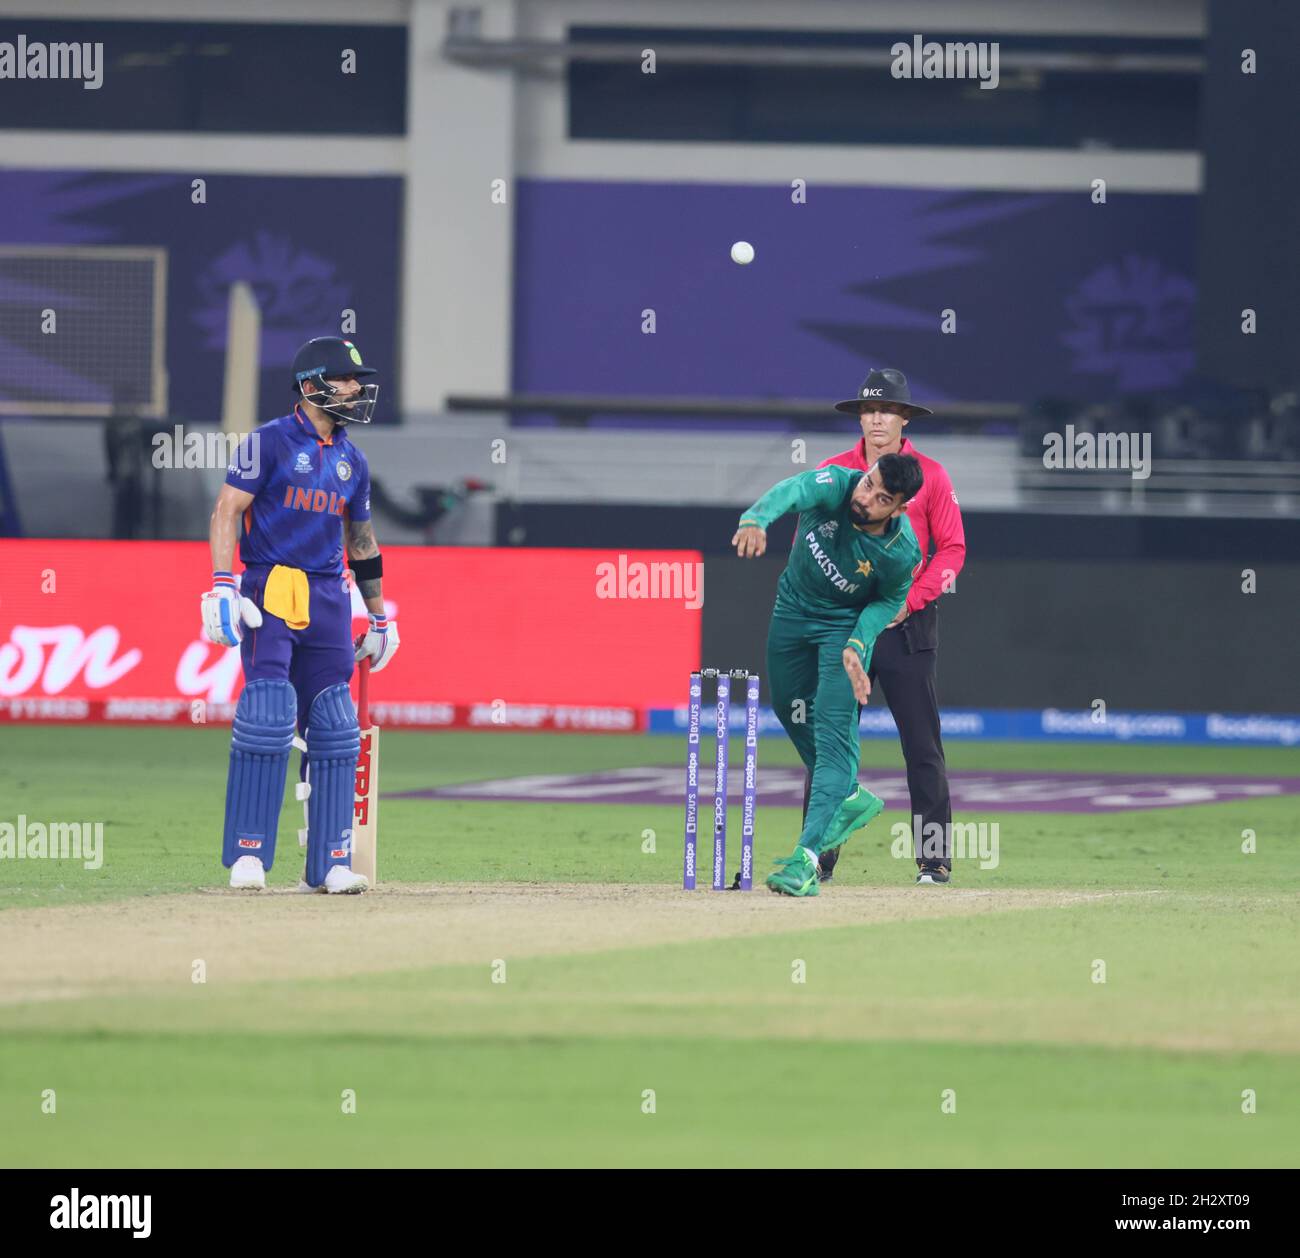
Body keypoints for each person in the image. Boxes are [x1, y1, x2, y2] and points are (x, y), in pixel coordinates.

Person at [202, 336, 400, 894]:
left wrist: (380, 617)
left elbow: (361, 541)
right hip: (272, 586)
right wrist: (221, 585)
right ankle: (249, 855)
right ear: (312, 385)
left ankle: (331, 861)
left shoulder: (352, 459)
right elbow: (226, 511)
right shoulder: (266, 442)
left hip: (329, 595)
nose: (357, 390)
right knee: (267, 715)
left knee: (335, 725)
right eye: (345, 380)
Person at [732, 453, 923, 897]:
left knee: (833, 733)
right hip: (791, 610)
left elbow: (887, 602)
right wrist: (757, 517)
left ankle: (805, 861)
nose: (866, 498)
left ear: (899, 509)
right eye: (869, 484)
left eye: (882, 498)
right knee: (789, 709)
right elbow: (794, 490)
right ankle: (850, 793)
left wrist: (859, 642)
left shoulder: (900, 551)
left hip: (840, 631)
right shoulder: (838, 483)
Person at [815, 368, 966, 886]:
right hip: (844, 627)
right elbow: (814, 547)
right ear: (860, 417)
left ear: (904, 419)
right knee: (833, 744)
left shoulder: (933, 476)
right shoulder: (834, 471)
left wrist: (911, 600)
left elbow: (952, 551)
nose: (877, 418)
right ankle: (820, 855)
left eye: (887, 411)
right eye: (869, 410)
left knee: (922, 747)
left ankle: (935, 859)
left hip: (907, 630)